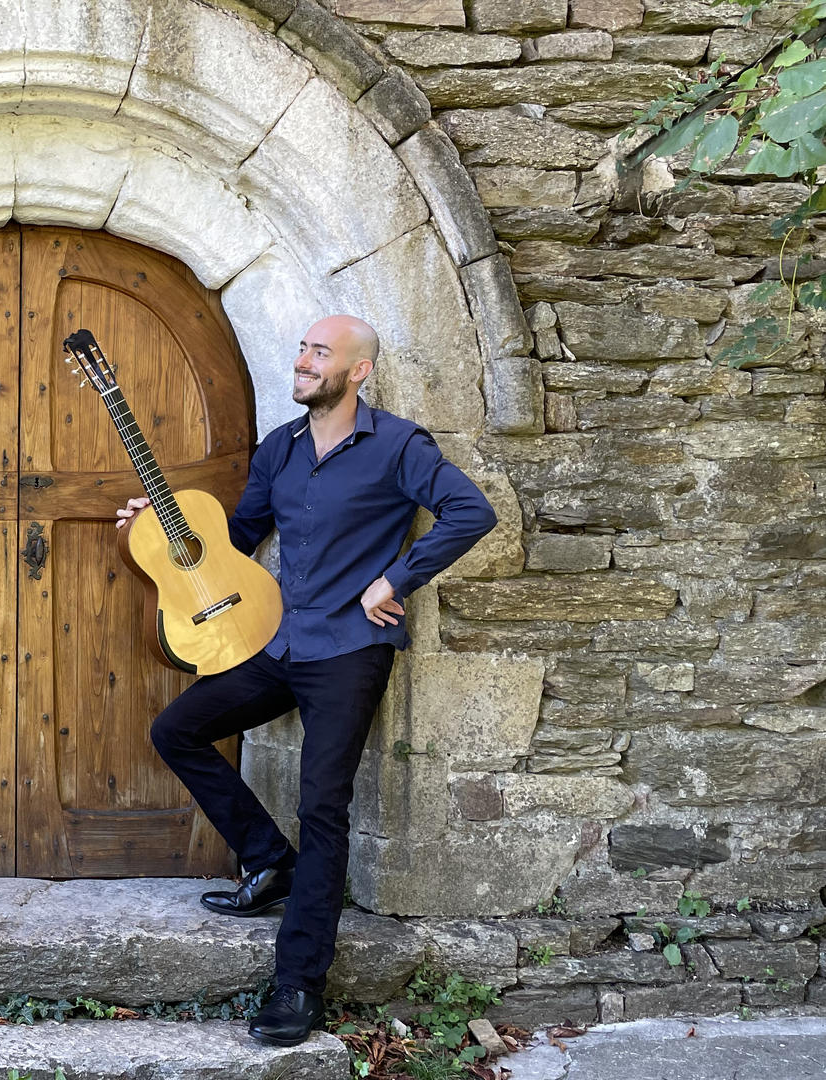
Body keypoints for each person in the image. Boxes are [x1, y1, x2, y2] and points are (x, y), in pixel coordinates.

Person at [114, 314, 497, 1047]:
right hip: (277, 640)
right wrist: (153, 533)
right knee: (177, 729)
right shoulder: (279, 450)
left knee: (323, 806)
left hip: (350, 650)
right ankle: (266, 859)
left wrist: (396, 577)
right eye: (300, 349)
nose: (302, 361)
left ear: (357, 372)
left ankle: (297, 983)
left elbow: (467, 511)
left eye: (319, 352)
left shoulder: (397, 446)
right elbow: (235, 541)